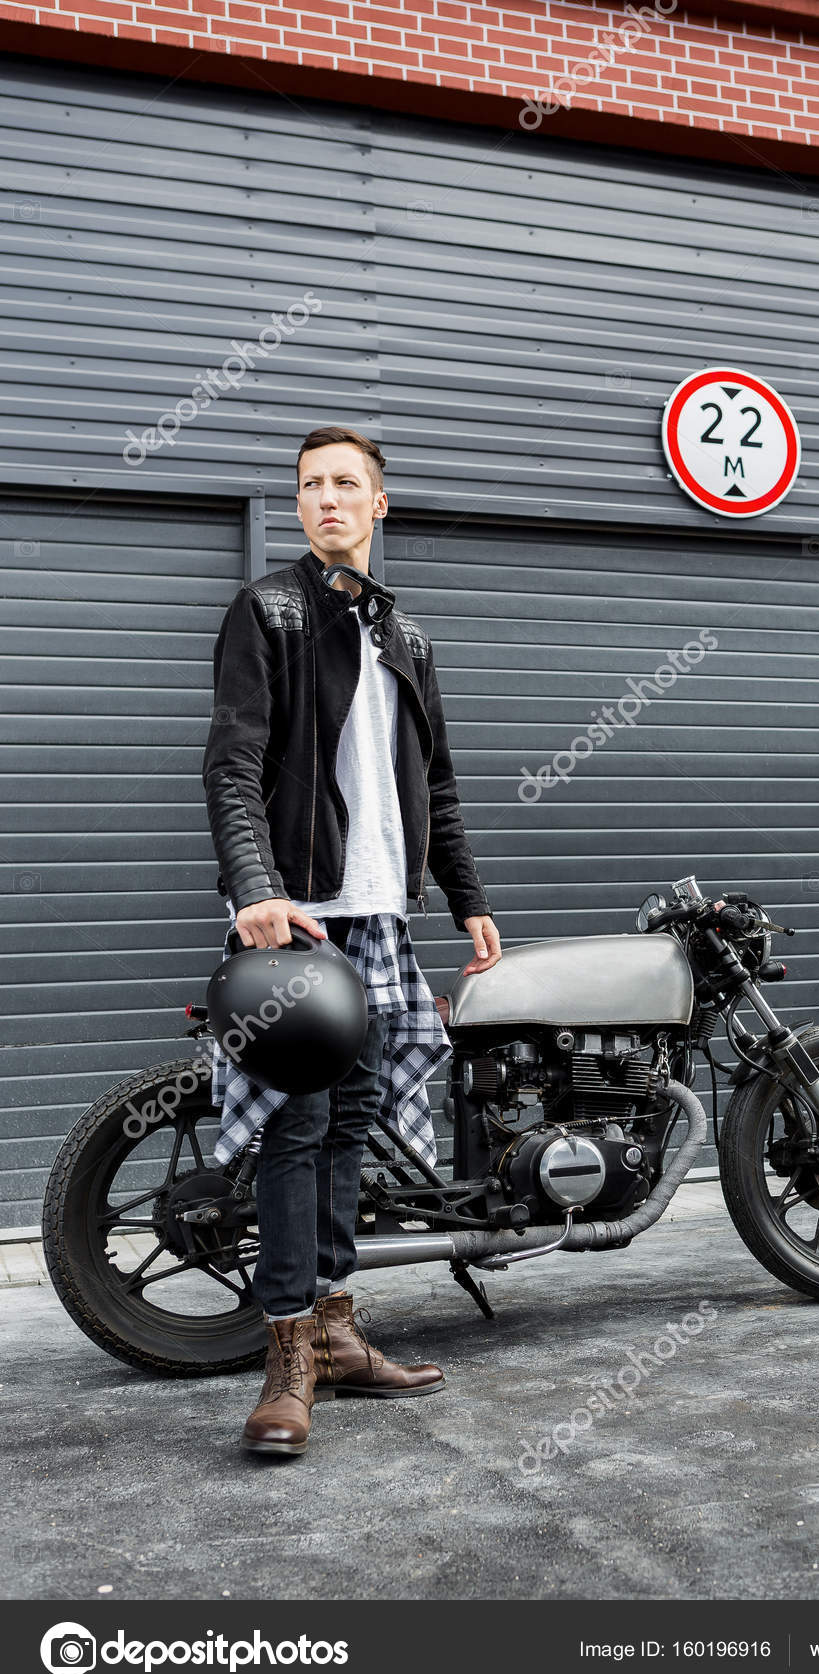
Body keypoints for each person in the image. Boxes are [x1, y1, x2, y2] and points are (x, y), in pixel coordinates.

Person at [202, 424, 501, 1456]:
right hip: (299, 911)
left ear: (379, 505)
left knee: (352, 1121)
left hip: (382, 912)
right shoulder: (270, 611)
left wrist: (464, 894)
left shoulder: (405, 634)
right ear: (299, 506)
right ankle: (285, 1357)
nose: (325, 498)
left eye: (345, 484)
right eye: (309, 486)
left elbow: (442, 784)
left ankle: (335, 1329)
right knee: (298, 1124)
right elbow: (232, 765)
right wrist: (255, 886)